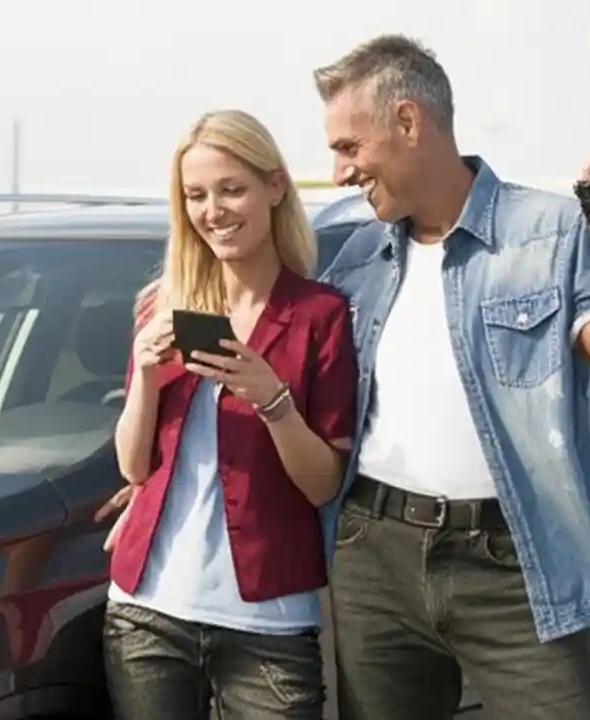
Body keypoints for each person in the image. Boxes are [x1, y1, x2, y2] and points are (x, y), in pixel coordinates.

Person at [311, 34, 590, 720]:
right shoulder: (359, 259)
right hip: (372, 556)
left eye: (348, 147)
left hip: (512, 565)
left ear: (409, 122)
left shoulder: (551, 236)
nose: (339, 173)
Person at [98, 108, 358, 720]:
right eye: (196, 195)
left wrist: (272, 400)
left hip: (266, 622)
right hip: (146, 611)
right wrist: (145, 380)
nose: (213, 210)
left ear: (274, 188)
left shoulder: (321, 315)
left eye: (231, 189)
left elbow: (323, 484)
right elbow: (133, 465)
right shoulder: (164, 306)